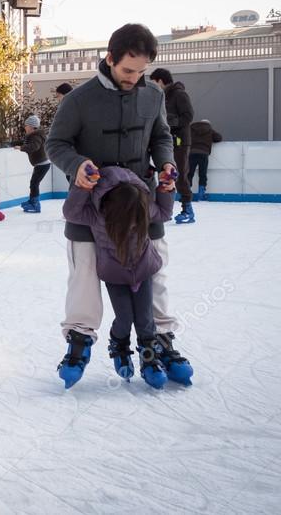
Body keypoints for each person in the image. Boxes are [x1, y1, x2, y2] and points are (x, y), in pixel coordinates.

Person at [46, 23, 194, 389]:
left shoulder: (153, 97)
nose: (134, 78)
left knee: (154, 270)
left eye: (141, 71)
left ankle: (160, 338)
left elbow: (161, 136)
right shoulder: (78, 100)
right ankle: (79, 339)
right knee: (84, 273)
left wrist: (165, 163)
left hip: (138, 201)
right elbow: (56, 144)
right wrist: (77, 165)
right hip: (90, 200)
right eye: (128, 70)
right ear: (110, 58)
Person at [62, 165, 174, 389]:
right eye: (127, 217)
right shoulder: (97, 215)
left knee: (144, 319)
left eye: (136, 215)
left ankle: (149, 358)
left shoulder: (140, 207)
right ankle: (119, 347)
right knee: (124, 319)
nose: (133, 221)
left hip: (143, 271)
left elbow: (164, 213)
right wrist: (83, 187)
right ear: (111, 209)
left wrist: (165, 188)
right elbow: (71, 213)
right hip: (115, 275)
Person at [149, 68, 195, 224]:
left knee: (179, 174)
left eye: (154, 82)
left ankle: (187, 209)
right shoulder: (162, 96)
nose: (153, 85)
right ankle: (165, 208)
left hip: (180, 141)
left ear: (160, 80)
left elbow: (188, 115)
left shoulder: (179, 94)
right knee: (164, 174)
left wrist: (170, 122)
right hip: (167, 141)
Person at [13, 114, 51, 213]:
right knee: (33, 183)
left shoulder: (36, 137)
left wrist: (21, 148)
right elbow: (26, 143)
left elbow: (34, 146)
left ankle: (35, 204)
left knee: (34, 183)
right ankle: (32, 201)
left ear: (31, 127)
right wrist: (14, 144)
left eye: (26, 125)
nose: (25, 127)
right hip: (41, 164)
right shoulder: (33, 136)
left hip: (42, 164)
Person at [189, 119, 223, 200]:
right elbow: (219, 138)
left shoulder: (191, 128)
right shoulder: (209, 130)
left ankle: (187, 193)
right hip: (203, 153)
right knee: (202, 174)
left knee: (189, 173)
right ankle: (201, 194)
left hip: (192, 153)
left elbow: (184, 137)